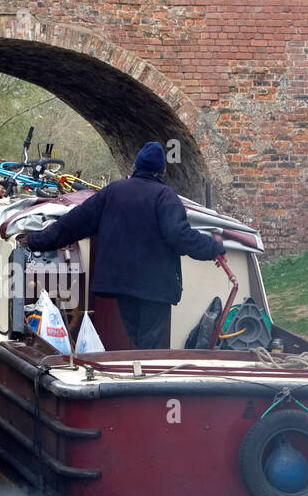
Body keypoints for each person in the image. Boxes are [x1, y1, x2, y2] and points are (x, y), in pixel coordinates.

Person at [23, 141, 223, 349]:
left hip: (121, 286)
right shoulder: (166, 197)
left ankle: (137, 373)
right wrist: (214, 247)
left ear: (136, 166)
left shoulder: (113, 192)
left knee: (138, 341)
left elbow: (73, 224)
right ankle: (147, 377)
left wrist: (36, 241)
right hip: (154, 289)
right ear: (161, 170)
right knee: (151, 348)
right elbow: (179, 235)